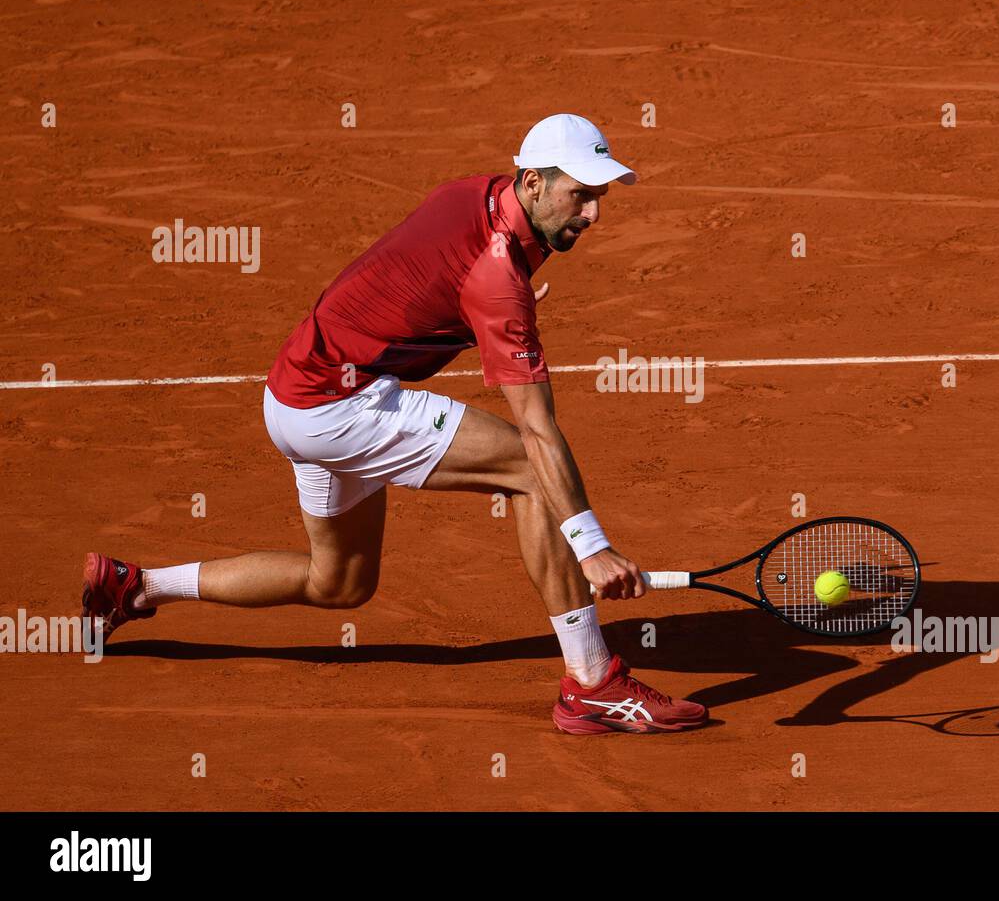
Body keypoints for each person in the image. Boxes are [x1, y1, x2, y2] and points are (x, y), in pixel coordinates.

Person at [83, 113, 708, 735]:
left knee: (339, 584)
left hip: (293, 393)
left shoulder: (478, 195)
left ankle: (136, 587)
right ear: (534, 182)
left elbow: (419, 279)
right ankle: (593, 683)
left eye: (598, 196)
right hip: (336, 407)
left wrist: (473, 315)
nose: (593, 214)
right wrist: (591, 547)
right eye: (581, 193)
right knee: (528, 467)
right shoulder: (496, 278)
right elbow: (540, 433)